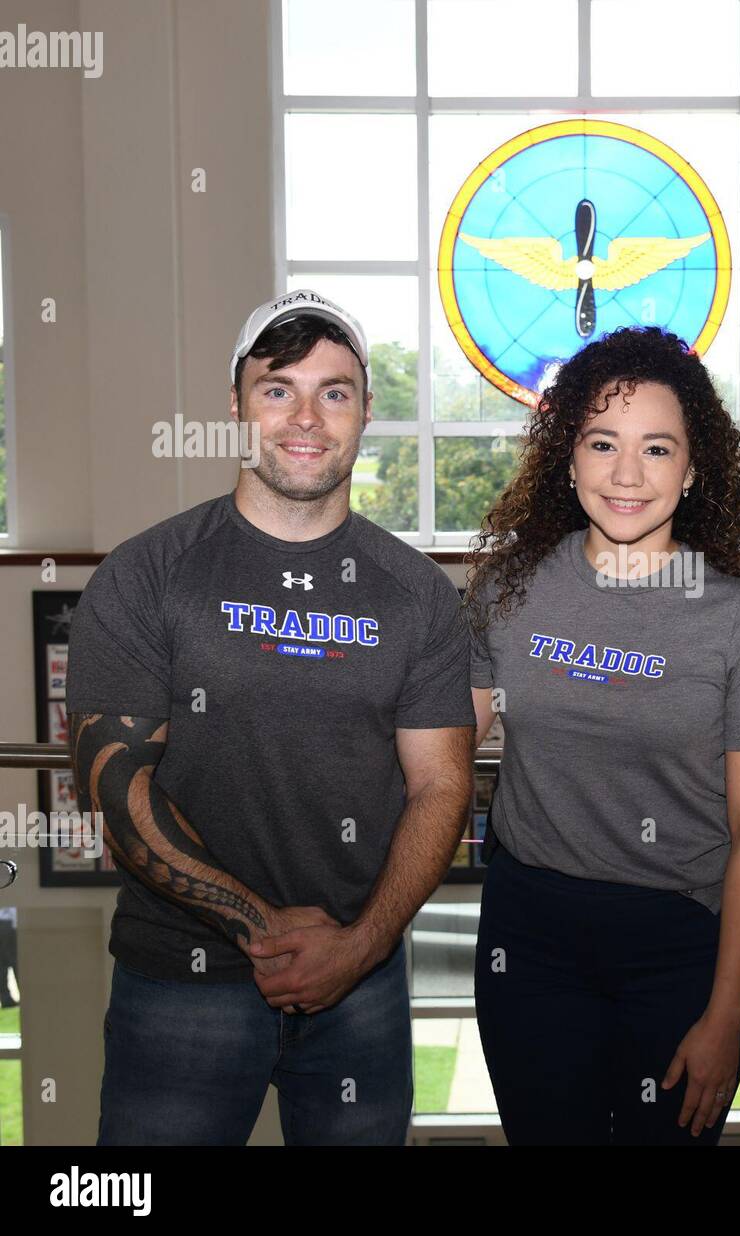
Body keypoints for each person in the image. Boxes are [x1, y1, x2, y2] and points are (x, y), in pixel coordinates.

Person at [66, 290, 476, 1145]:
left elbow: (442, 784)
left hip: (362, 983)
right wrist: (264, 931)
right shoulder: (147, 575)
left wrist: (359, 947)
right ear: (235, 406)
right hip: (178, 978)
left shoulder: (419, 599)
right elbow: (115, 781)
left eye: (334, 391)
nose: (306, 416)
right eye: (276, 387)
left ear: (366, 412)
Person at [466, 326, 740, 1145]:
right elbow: (435, 758)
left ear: (692, 471)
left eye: (657, 449)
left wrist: (726, 1015)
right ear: (567, 457)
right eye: (601, 443)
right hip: (529, 937)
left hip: (680, 946)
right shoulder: (508, 590)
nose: (626, 474)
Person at [0, 905, 17, 1009]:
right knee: (16, 961)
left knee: (1, 964)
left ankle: (6, 1000)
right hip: (7, 922)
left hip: (6, 921)